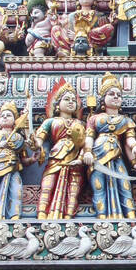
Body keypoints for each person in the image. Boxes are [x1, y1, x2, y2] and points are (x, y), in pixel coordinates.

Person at [82, 73, 136, 218]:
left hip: (117, 156)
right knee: (99, 186)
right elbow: (89, 137)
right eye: (111, 94)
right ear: (103, 99)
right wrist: (88, 152)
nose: (116, 97)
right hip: (97, 156)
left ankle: (130, 217)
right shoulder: (95, 118)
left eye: (119, 95)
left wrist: (135, 148)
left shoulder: (125, 120)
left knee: (124, 185)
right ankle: (102, 217)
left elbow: (129, 140)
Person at [35, 83, 85, 219]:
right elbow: (40, 137)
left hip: (75, 159)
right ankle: (42, 215)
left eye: (73, 101)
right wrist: (36, 144)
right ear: (57, 104)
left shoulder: (80, 124)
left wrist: (80, 158)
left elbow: (85, 145)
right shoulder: (51, 121)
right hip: (56, 157)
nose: (70, 102)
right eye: (66, 99)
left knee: (73, 190)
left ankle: (68, 216)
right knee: (48, 186)